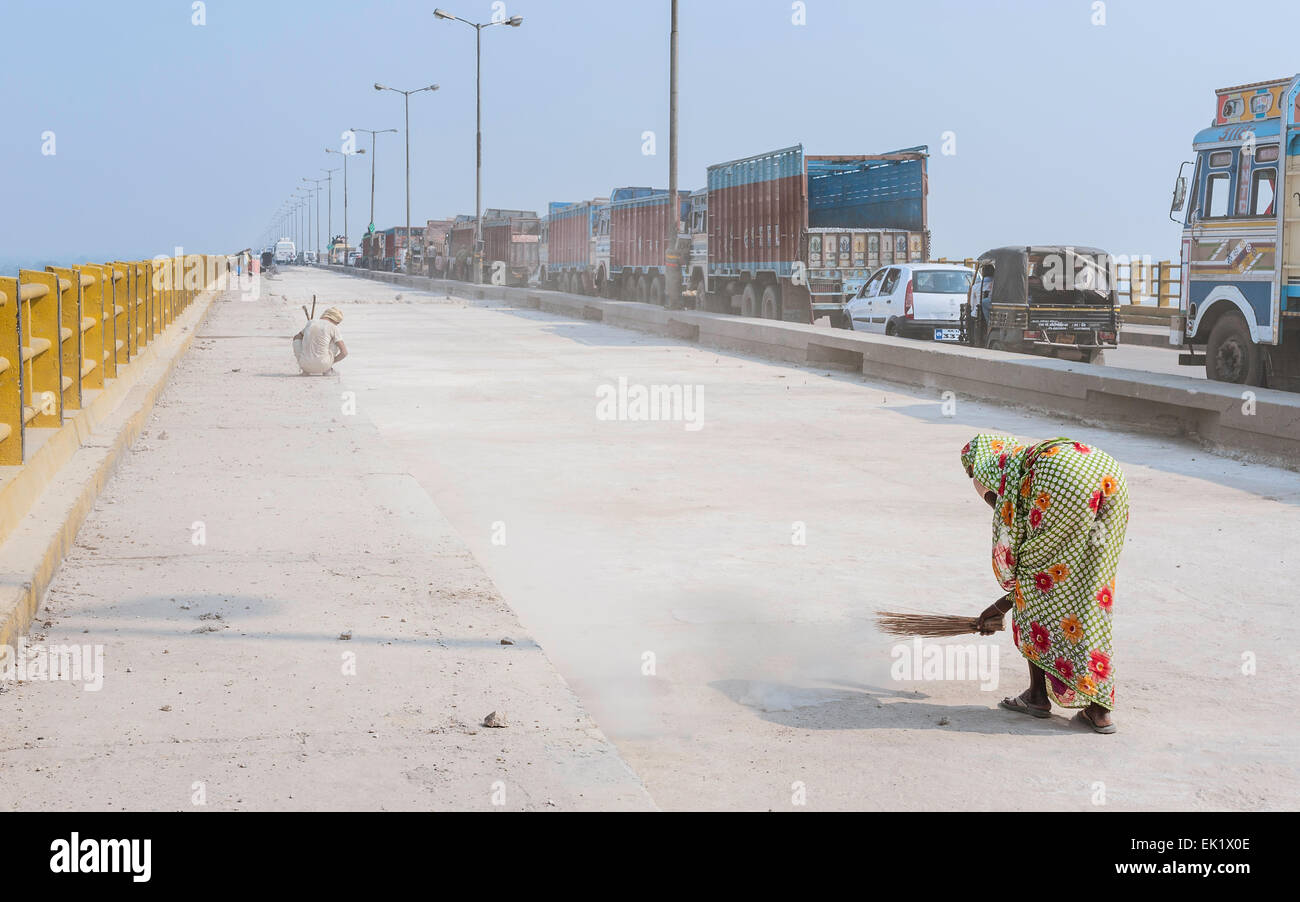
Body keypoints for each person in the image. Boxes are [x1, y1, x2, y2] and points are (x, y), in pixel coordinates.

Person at [961, 434, 1129, 734]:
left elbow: (1020, 551)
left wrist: (1000, 606)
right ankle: (1099, 710)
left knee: (1036, 582)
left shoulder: (1003, 469)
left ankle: (1037, 696)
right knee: (1092, 587)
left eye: (971, 471)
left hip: (1061, 476)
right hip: (1110, 475)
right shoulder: (1021, 463)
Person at [292, 307, 348, 375]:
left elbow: (296, 337)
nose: (337, 325)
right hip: (324, 365)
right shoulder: (333, 327)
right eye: (337, 323)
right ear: (335, 319)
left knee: (298, 339)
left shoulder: (311, 323)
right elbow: (344, 353)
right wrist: (331, 362)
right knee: (335, 341)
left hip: (304, 365)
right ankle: (327, 370)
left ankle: (305, 371)